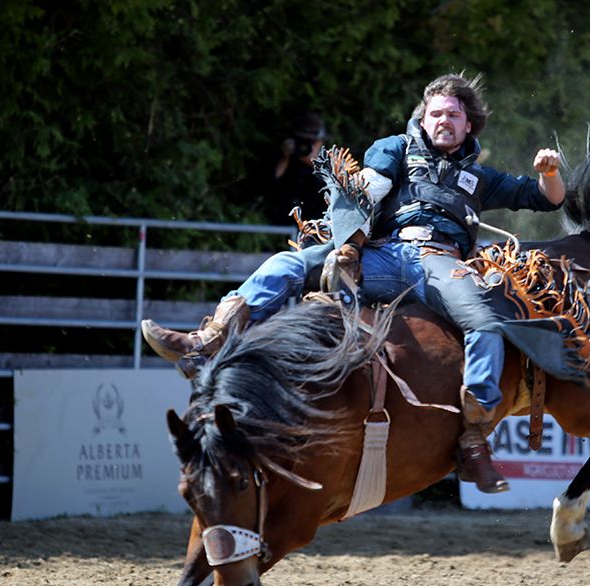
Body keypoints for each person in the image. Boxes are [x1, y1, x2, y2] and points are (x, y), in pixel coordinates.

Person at [142, 73, 565, 494]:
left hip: (440, 262)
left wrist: (549, 173)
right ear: (423, 119)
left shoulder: (481, 178)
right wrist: (351, 244)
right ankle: (208, 342)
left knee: (486, 322)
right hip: (378, 253)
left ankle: (474, 440)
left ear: (467, 124)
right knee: (290, 263)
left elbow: (546, 198)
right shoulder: (395, 149)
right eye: (436, 113)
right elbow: (370, 186)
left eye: (453, 114)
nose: (443, 120)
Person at [261, 112, 328, 225]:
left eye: (312, 142)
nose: (307, 146)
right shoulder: (286, 161)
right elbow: (270, 185)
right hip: (282, 223)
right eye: (303, 141)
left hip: (314, 225)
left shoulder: (327, 164)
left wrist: (312, 161)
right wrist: (285, 156)